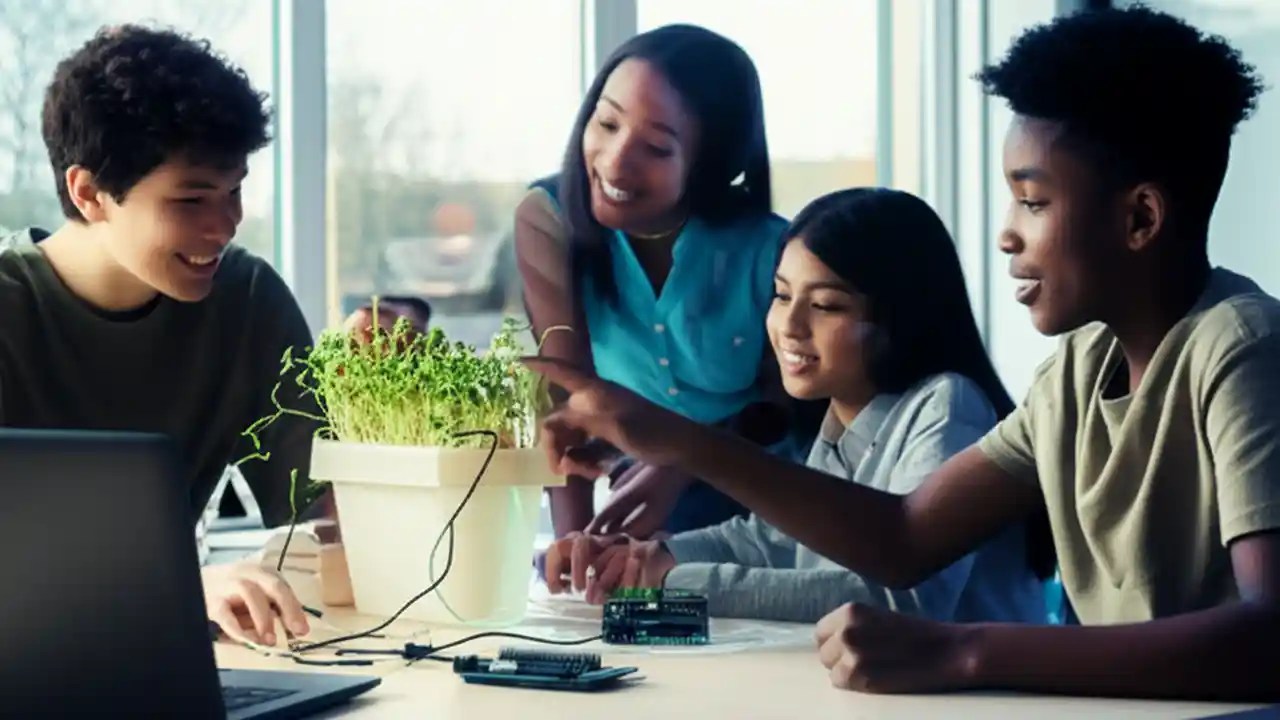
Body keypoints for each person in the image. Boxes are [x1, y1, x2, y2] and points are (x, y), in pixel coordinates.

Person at [524, 6, 1280, 701]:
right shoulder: (1074, 375)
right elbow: (902, 537)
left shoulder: (1237, 348)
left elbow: (1270, 636)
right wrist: (677, 445)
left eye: (1034, 201)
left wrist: (963, 653)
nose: (1007, 234)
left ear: (1140, 217)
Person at [542, 188, 1050, 625]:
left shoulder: (947, 405)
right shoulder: (842, 414)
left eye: (826, 305)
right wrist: (646, 557)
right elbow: (775, 540)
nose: (789, 325)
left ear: (902, 317)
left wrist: (677, 579)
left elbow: (900, 599)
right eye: (782, 296)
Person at [0, 25, 318, 647]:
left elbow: (318, 522)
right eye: (192, 199)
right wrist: (176, 588)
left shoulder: (249, 302)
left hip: (172, 661)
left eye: (235, 192)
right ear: (89, 193)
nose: (225, 225)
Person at [515, 24, 816, 541]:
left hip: (761, 497)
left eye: (655, 148)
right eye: (606, 123)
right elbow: (567, 394)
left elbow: (784, 408)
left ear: (712, 166)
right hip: (628, 485)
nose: (614, 161)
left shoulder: (770, 249)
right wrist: (576, 541)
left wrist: (683, 462)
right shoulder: (548, 220)